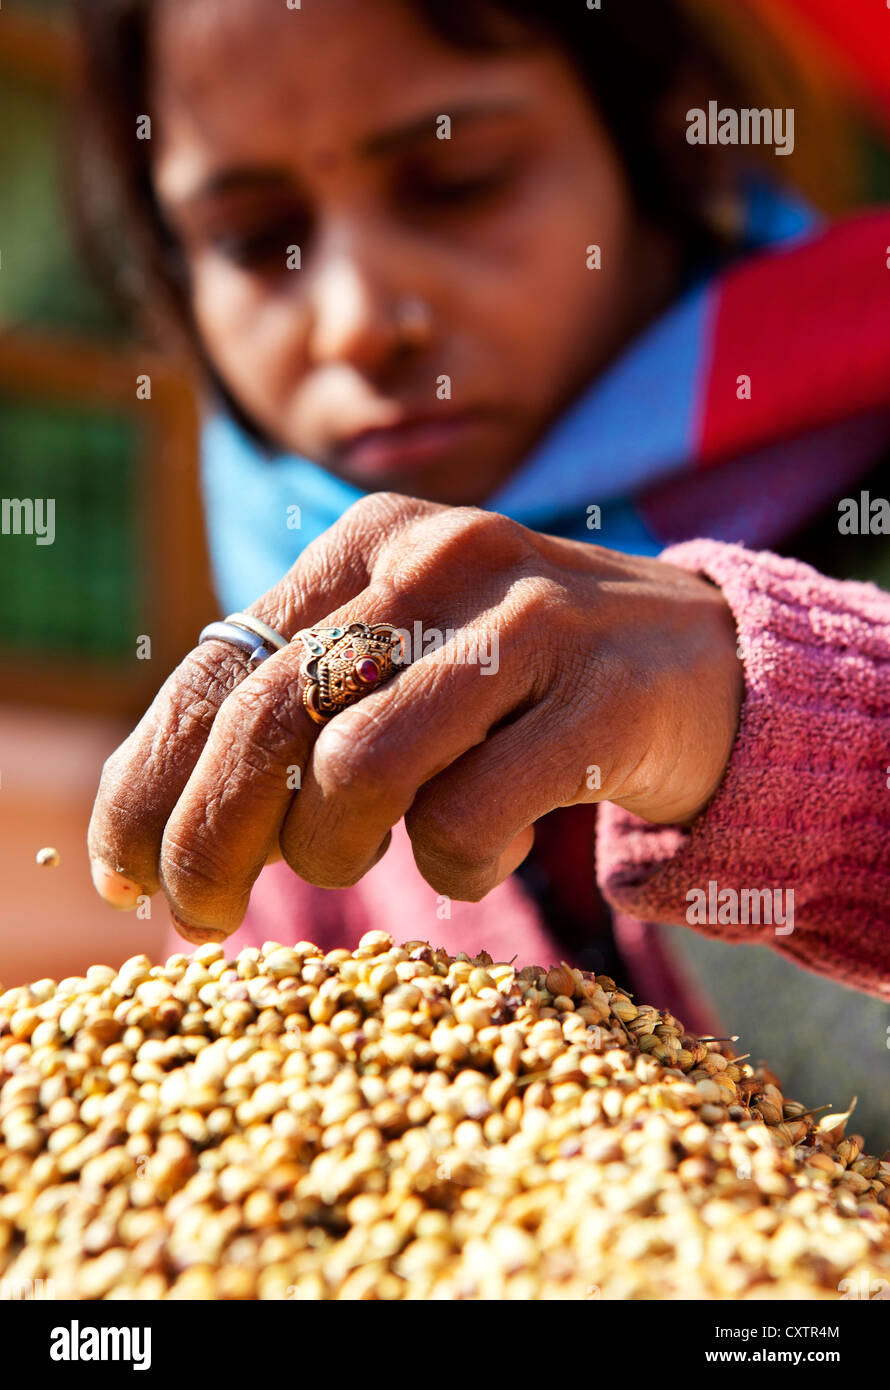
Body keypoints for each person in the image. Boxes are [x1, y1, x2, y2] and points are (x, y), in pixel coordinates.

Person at [77, 0, 890, 1068]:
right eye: (254, 240)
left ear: (663, 154)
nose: (357, 320)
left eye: (459, 182)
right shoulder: (287, 730)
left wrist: (745, 697)